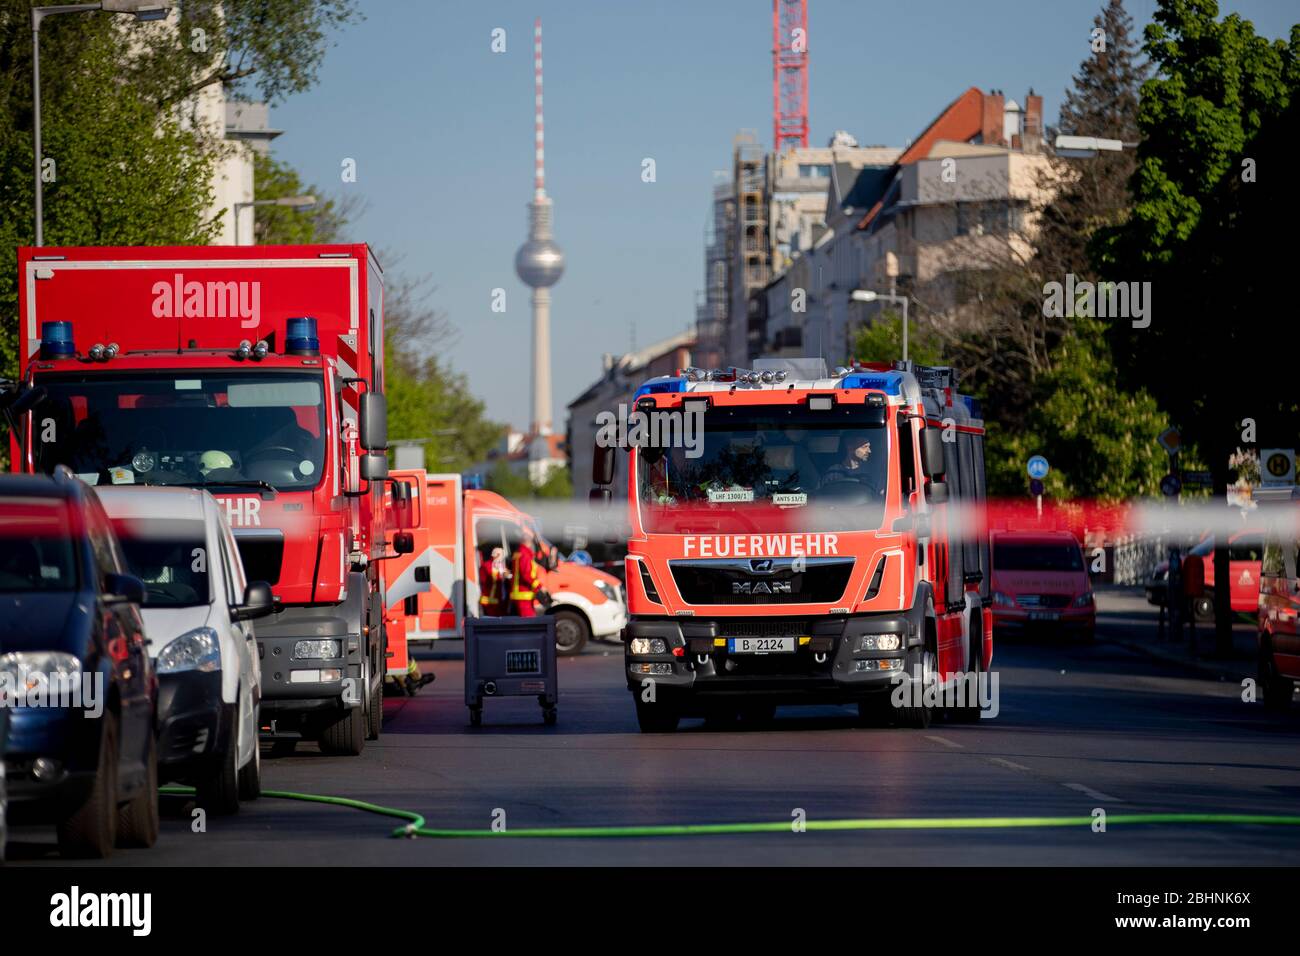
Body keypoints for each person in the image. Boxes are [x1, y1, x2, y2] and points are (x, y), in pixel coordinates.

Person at [509, 528, 543, 617]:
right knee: (528, 624)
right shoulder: (525, 554)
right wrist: (539, 587)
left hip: (521, 594)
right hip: (523, 594)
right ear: (528, 540)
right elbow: (526, 575)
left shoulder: (519, 552)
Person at [478, 545, 510, 616]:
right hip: (490, 602)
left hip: (500, 602)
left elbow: (508, 577)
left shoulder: (500, 565)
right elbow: (490, 579)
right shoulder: (487, 566)